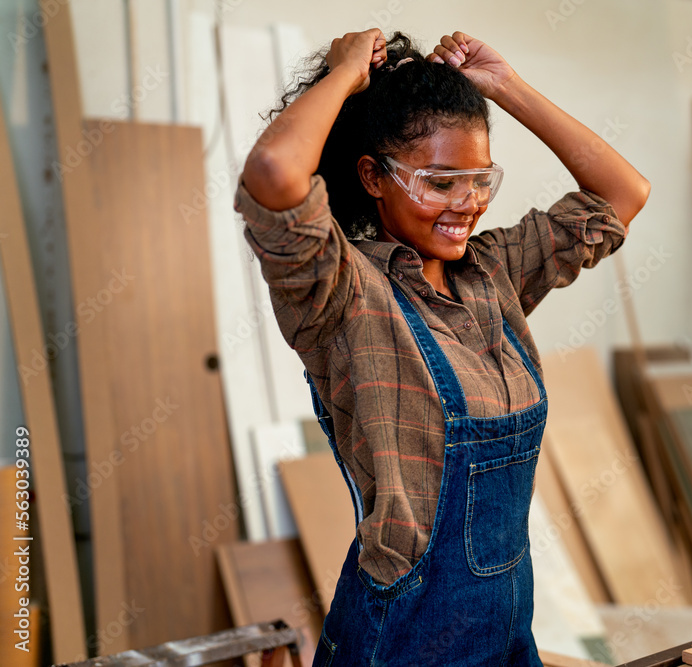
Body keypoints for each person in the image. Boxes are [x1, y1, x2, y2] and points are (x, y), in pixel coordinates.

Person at [236, 27, 650, 666]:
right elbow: (274, 172)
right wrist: (342, 73)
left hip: (508, 632)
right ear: (374, 176)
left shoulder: (493, 275)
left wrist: (505, 87)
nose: (468, 205)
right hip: (401, 642)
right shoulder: (343, 294)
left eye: (480, 180)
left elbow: (623, 195)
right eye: (441, 182)